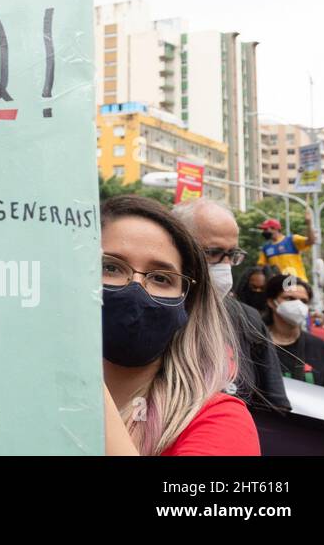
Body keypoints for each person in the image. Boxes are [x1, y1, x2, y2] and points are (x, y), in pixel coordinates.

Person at [99, 195, 259, 455]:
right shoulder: (25, 395)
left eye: (161, 277)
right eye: (111, 267)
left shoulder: (217, 420)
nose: (136, 287)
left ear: (187, 302)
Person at [172, 199, 290, 414]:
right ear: (177, 247)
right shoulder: (153, 313)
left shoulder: (248, 320)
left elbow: (275, 407)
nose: (225, 266)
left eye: (232, 255)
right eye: (212, 253)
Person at [262, 274, 324, 389]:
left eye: (304, 301)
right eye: (290, 298)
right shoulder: (256, 346)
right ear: (271, 302)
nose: (298, 305)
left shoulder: (321, 348)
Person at [257, 215, 312, 280]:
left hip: (297, 282)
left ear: (275, 229)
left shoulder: (292, 240)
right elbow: (261, 266)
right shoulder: (266, 248)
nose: (264, 232)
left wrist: (309, 223)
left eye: (265, 229)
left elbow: (311, 241)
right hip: (279, 284)